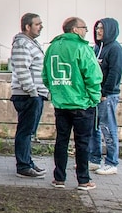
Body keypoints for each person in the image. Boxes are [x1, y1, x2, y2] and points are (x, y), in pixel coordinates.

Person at [43, 17, 103, 191]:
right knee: (82, 143)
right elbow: (93, 76)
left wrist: (56, 93)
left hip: (61, 104)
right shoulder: (82, 48)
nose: (86, 31)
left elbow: (46, 76)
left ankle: (59, 178)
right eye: (84, 28)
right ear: (75, 30)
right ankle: (83, 180)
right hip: (82, 104)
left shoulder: (52, 48)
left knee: (61, 141)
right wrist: (94, 98)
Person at [10, 13, 48, 178]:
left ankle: (28, 162)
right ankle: (23, 166)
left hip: (34, 94)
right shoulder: (22, 44)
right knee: (25, 131)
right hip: (28, 95)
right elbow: (21, 69)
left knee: (28, 131)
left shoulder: (31, 44)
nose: (41, 26)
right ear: (27, 26)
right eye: (37, 24)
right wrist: (32, 92)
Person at [90, 18, 122, 176]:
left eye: (102, 29)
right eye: (97, 28)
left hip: (107, 96)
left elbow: (114, 73)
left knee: (108, 128)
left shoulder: (115, 49)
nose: (98, 31)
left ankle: (111, 162)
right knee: (93, 127)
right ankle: (94, 159)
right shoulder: (96, 49)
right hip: (94, 95)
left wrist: (105, 93)